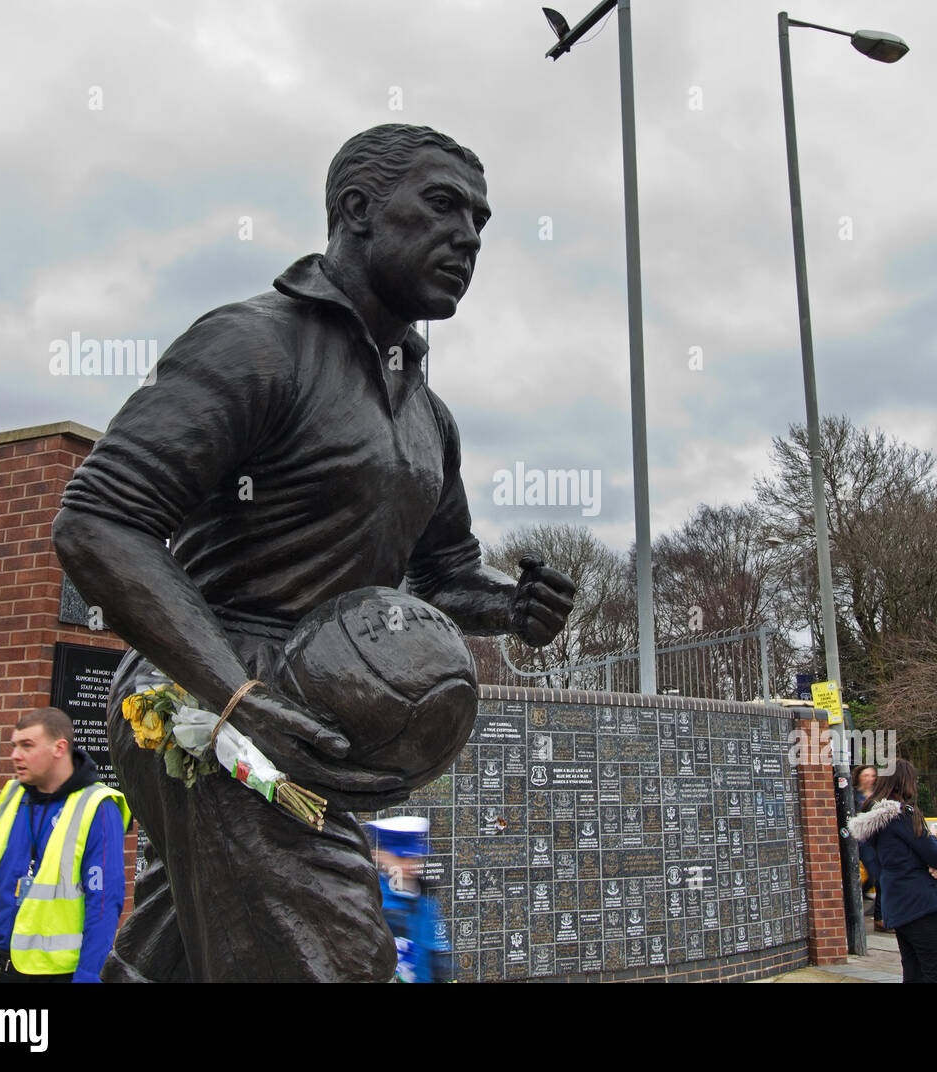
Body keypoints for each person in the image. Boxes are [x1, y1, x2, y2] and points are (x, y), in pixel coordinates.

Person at [53, 124, 576, 982]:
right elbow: (98, 518)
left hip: (317, 704)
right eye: (444, 206)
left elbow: (441, 574)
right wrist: (234, 691)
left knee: (183, 950)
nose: (469, 238)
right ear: (357, 211)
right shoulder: (254, 343)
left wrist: (508, 608)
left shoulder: (428, 416)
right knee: (337, 955)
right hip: (203, 700)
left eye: (482, 223)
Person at [0, 707, 130, 983]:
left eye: (27, 745)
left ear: (59, 747)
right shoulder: (11, 796)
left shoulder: (97, 807)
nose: (15, 755)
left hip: (55, 976)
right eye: (14, 746)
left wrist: (88, 976)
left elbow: (103, 904)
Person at [850, 759, 937, 983]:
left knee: (913, 969)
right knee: (936, 970)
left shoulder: (875, 820)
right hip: (918, 902)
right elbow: (935, 855)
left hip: (897, 902)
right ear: (905, 783)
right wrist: (932, 861)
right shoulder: (903, 815)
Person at [366, 816, 451, 983]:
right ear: (380, 856)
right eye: (401, 858)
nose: (409, 865)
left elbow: (438, 960)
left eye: (414, 857)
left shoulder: (426, 900)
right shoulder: (372, 902)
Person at [852, 764, 886, 931]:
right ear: (859, 777)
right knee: (878, 877)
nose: (870, 779)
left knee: (877, 877)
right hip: (861, 841)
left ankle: (878, 914)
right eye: (866, 775)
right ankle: (879, 919)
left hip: (874, 841)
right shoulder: (852, 795)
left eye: (872, 775)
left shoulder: (878, 796)